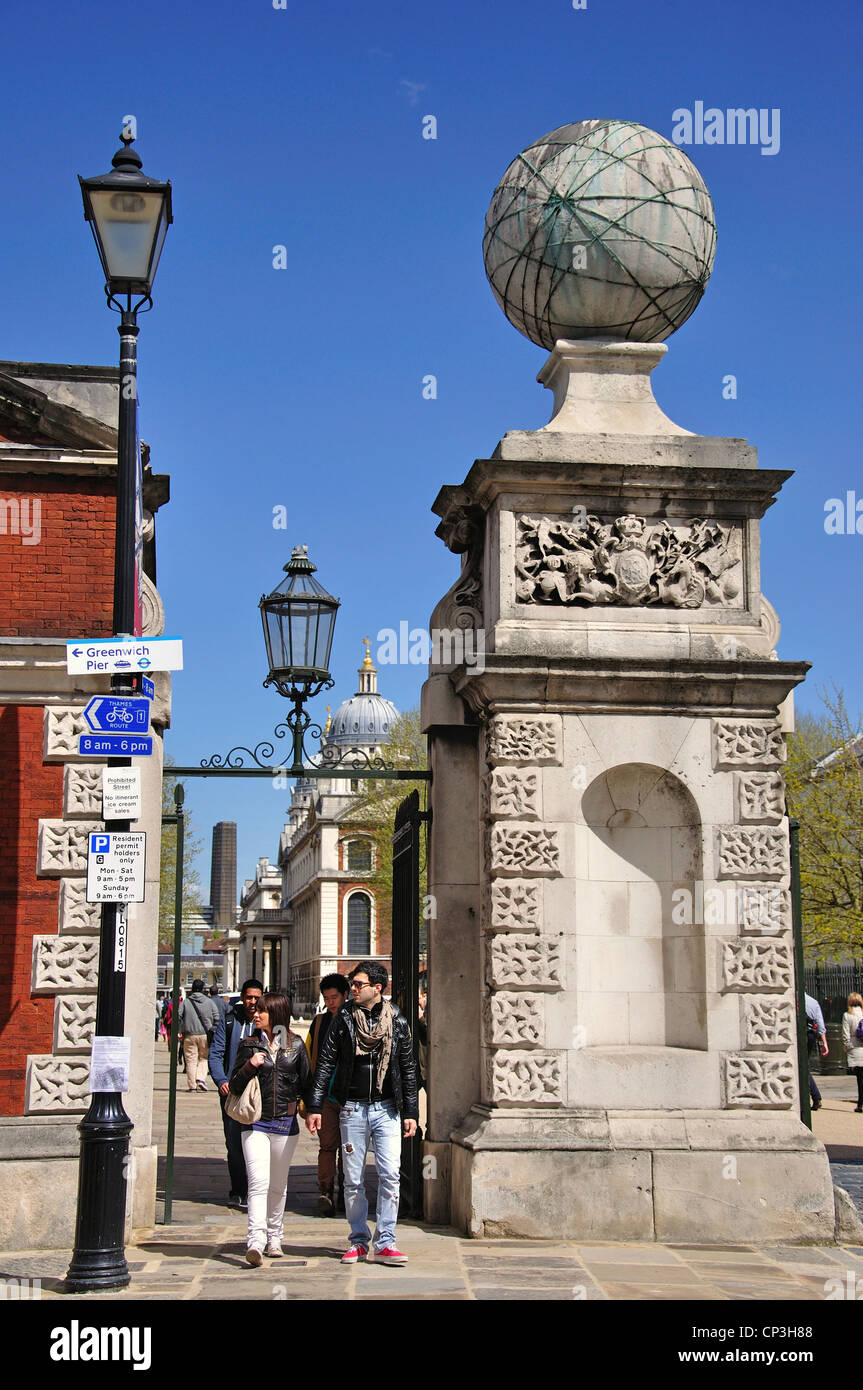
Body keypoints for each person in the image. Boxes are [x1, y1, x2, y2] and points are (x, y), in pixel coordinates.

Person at [307, 961, 418, 1267]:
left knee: (390, 1175)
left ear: (377, 988)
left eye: (358, 984)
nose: (352, 989)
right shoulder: (342, 1019)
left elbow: (408, 1069)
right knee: (354, 1179)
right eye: (352, 984)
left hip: (387, 1109)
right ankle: (358, 1240)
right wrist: (315, 1106)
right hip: (352, 1108)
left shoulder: (397, 1021)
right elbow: (325, 1063)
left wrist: (411, 1111)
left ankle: (386, 1240)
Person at [228, 990, 312, 1266]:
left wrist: (312, 1112)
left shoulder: (296, 1045)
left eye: (262, 1010)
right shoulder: (249, 1044)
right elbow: (234, 1087)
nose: (256, 1013)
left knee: (278, 1184)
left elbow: (306, 1084)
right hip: (256, 1124)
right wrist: (250, 1067)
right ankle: (255, 1240)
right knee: (258, 1183)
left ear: (275, 1014)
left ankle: (276, 1236)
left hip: (285, 1124)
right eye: (256, 1009)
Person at [209, 978, 263, 1209]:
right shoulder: (230, 1020)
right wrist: (221, 1080)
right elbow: (216, 1053)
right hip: (232, 1093)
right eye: (249, 997)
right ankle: (238, 1189)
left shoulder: (266, 1022)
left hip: (259, 1095)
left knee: (257, 1143)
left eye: (256, 997)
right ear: (242, 997)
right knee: (234, 1143)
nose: (252, 1002)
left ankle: (257, 1189)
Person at [304, 973, 350, 1216]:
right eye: (327, 998)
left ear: (345, 995)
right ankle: (325, 1190)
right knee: (327, 1145)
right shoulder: (319, 1023)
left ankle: (346, 1189)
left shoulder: (355, 1020)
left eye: (335, 997)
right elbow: (309, 1056)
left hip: (350, 1096)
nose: (331, 1002)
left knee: (349, 1147)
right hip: (326, 1096)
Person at [178, 979, 220, 1093]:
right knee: (204, 1058)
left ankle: (192, 1086)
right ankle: (201, 1078)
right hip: (205, 1034)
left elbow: (178, 1016)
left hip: (189, 1035)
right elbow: (217, 1017)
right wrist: (211, 1026)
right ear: (203, 989)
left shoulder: (186, 1002)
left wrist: (180, 1029)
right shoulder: (209, 1002)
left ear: (191, 989)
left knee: (191, 1060)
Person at [804, 991, 828, 1111]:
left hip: (801, 1035)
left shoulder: (794, 1000)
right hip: (811, 1035)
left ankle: (815, 1096)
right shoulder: (813, 1002)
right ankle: (815, 1096)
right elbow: (820, 1024)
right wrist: (824, 1043)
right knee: (805, 1065)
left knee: (803, 1067)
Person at [842, 992, 863, 1113]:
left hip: (855, 1049)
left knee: (860, 1079)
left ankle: (860, 1103)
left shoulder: (847, 1015)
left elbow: (845, 1035)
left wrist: (847, 1047)